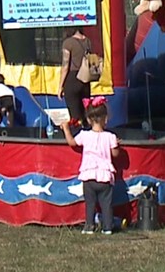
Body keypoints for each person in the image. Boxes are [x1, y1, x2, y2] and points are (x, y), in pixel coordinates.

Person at [60, 96, 120, 235]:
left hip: (88, 175)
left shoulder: (84, 135)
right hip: (105, 176)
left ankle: (89, 226)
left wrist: (66, 129)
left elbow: (72, 143)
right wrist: (117, 145)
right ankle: (107, 227)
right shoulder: (110, 137)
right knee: (106, 204)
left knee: (90, 203)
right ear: (106, 119)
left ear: (88, 119)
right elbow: (115, 154)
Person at [59, 27, 93, 128]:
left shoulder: (68, 43)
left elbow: (65, 67)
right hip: (85, 79)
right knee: (85, 113)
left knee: (75, 117)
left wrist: (60, 86)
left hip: (72, 79)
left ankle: (77, 138)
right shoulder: (87, 41)